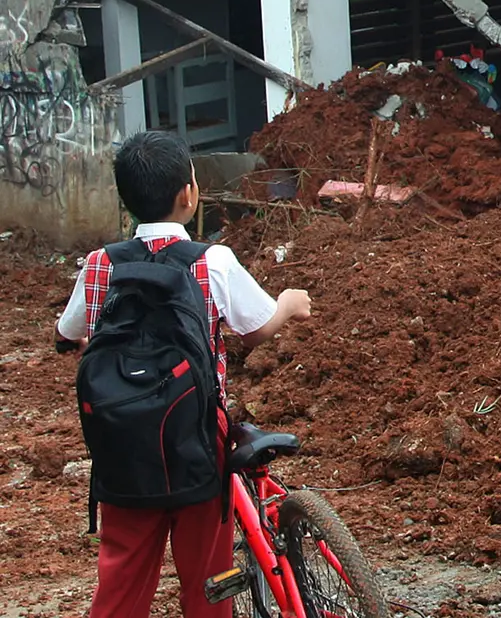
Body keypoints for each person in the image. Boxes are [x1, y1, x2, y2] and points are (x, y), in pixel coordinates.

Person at [55, 131, 312, 618]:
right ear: (189, 194)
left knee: (122, 575)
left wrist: (80, 340)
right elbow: (255, 330)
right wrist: (288, 304)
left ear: (125, 198)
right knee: (208, 579)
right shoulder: (212, 260)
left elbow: (68, 331)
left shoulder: (100, 264)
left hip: (122, 444)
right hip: (196, 438)